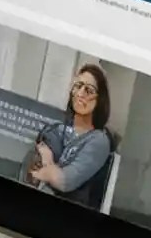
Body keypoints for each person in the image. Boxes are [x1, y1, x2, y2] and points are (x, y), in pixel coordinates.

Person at [26, 63, 114, 209]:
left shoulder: (99, 140)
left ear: (100, 100)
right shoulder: (55, 129)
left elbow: (65, 182)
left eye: (89, 90)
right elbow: (31, 174)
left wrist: (47, 161)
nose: (81, 93)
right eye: (78, 86)